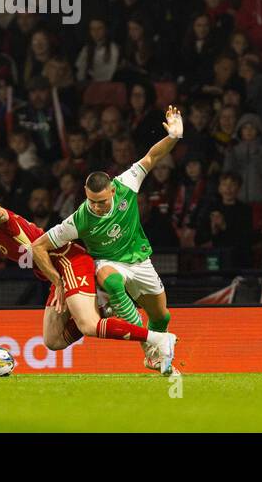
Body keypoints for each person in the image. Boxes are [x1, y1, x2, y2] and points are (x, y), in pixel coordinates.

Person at [0, 187, 175, 370]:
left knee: (88, 325)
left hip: (69, 262)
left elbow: (1, 213)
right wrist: (56, 281)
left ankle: (157, 338)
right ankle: (102, 307)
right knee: (53, 341)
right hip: (55, 274)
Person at [34, 105, 183, 374]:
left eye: (102, 202)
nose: (97, 207)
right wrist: (56, 280)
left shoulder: (126, 183)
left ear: (112, 190)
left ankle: (152, 353)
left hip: (140, 260)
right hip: (108, 263)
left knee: (162, 316)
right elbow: (39, 245)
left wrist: (173, 136)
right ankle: (143, 338)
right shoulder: (79, 219)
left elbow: (152, 157)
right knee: (112, 280)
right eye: (92, 201)